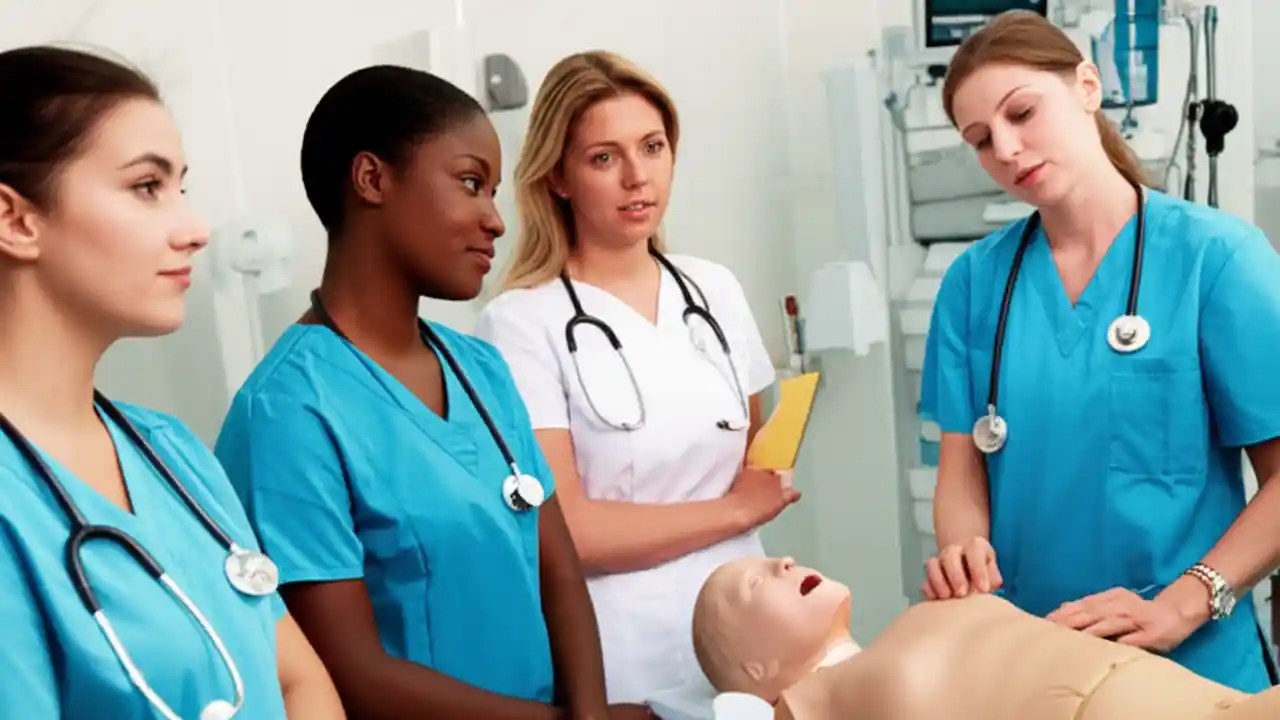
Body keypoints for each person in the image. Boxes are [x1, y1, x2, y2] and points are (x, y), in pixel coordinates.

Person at [214, 65, 652, 719]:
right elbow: (350, 673)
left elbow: (557, 572)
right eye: (471, 184)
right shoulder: (288, 410)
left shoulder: (482, 371)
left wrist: (589, 714)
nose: (495, 222)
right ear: (372, 180)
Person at [919, 10, 1280, 693]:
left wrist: (1185, 602)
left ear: (1087, 85)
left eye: (1023, 112)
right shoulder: (973, 284)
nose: (1008, 149)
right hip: (1030, 659)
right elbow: (962, 472)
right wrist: (961, 550)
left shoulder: (1218, 260)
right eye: (981, 140)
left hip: (1188, 671)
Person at [0, 46, 342, 718]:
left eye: (180, 187)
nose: (194, 229)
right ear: (15, 220)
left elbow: (299, 682)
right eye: (146, 187)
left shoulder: (172, 452)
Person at [474, 50, 799, 704]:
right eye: (603, 157)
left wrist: (755, 490)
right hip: (623, 645)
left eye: (652, 147)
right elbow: (571, 532)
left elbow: (759, 457)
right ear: (559, 177)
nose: (636, 177)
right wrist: (734, 508)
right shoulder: (519, 323)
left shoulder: (714, 288)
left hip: (753, 627)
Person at [691, 555, 1280, 719]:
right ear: (758, 670)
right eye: (752, 585)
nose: (783, 560)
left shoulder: (911, 626)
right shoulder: (815, 704)